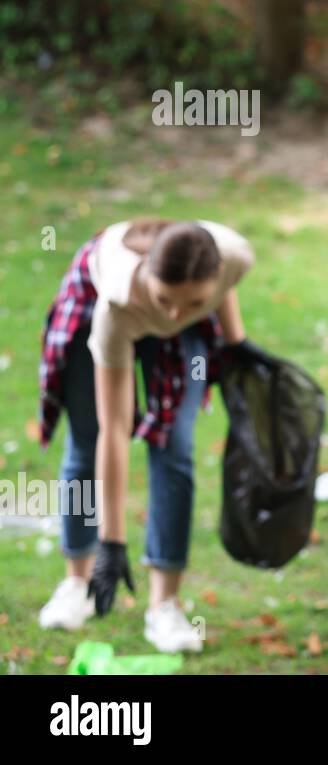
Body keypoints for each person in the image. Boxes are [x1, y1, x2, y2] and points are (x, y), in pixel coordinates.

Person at [37, 219, 255, 653]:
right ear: (148, 281)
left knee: (175, 449)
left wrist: (236, 346)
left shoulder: (235, 256)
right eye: (165, 300)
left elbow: (220, 286)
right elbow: (115, 430)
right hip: (100, 302)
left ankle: (164, 604)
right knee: (87, 438)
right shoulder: (116, 305)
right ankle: (76, 582)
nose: (173, 315)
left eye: (192, 302)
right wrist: (111, 543)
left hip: (177, 300)